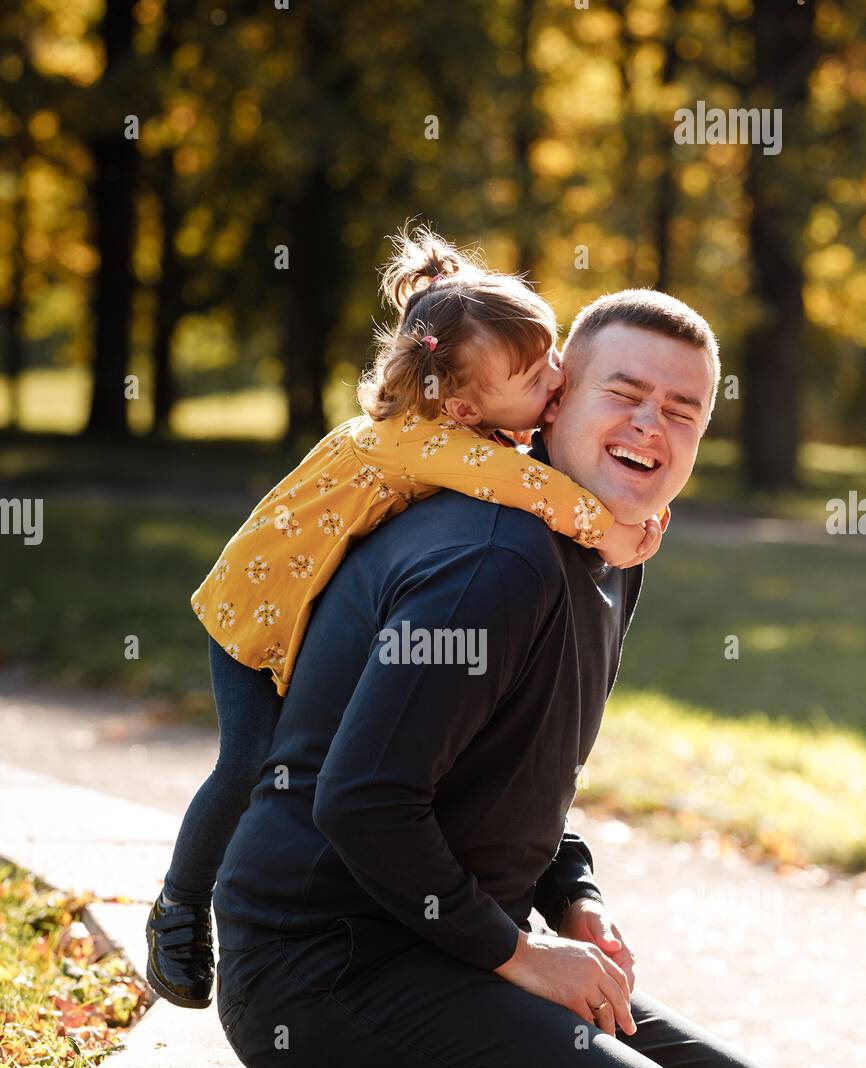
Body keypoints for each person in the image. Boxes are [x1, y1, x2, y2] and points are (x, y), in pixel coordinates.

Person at [211, 287, 797, 1068]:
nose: (649, 425)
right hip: (317, 971)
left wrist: (575, 895)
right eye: (623, 392)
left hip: (433, 944)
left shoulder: (604, 551)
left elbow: (515, 773)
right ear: (556, 393)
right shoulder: (495, 559)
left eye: (681, 410)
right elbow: (363, 801)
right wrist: (520, 953)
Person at [145, 228, 667, 1009]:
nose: (559, 379)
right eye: (536, 376)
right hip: (254, 619)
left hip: (304, 607)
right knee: (254, 763)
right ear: (464, 405)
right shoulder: (426, 442)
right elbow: (531, 491)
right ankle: (180, 910)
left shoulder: (466, 427)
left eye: (556, 352)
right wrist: (613, 528)